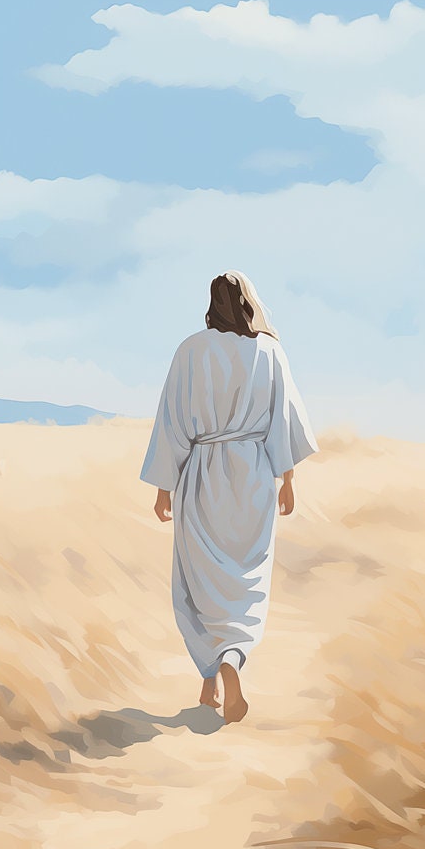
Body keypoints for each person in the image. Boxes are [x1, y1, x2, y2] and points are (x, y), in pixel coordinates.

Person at [140, 272, 318, 724]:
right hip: (253, 478)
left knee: (197, 580)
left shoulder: (190, 351)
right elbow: (283, 420)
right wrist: (287, 480)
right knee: (245, 581)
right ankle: (226, 668)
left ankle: (212, 677)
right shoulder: (269, 352)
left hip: (201, 475)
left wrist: (164, 488)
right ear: (246, 303)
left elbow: (172, 420)